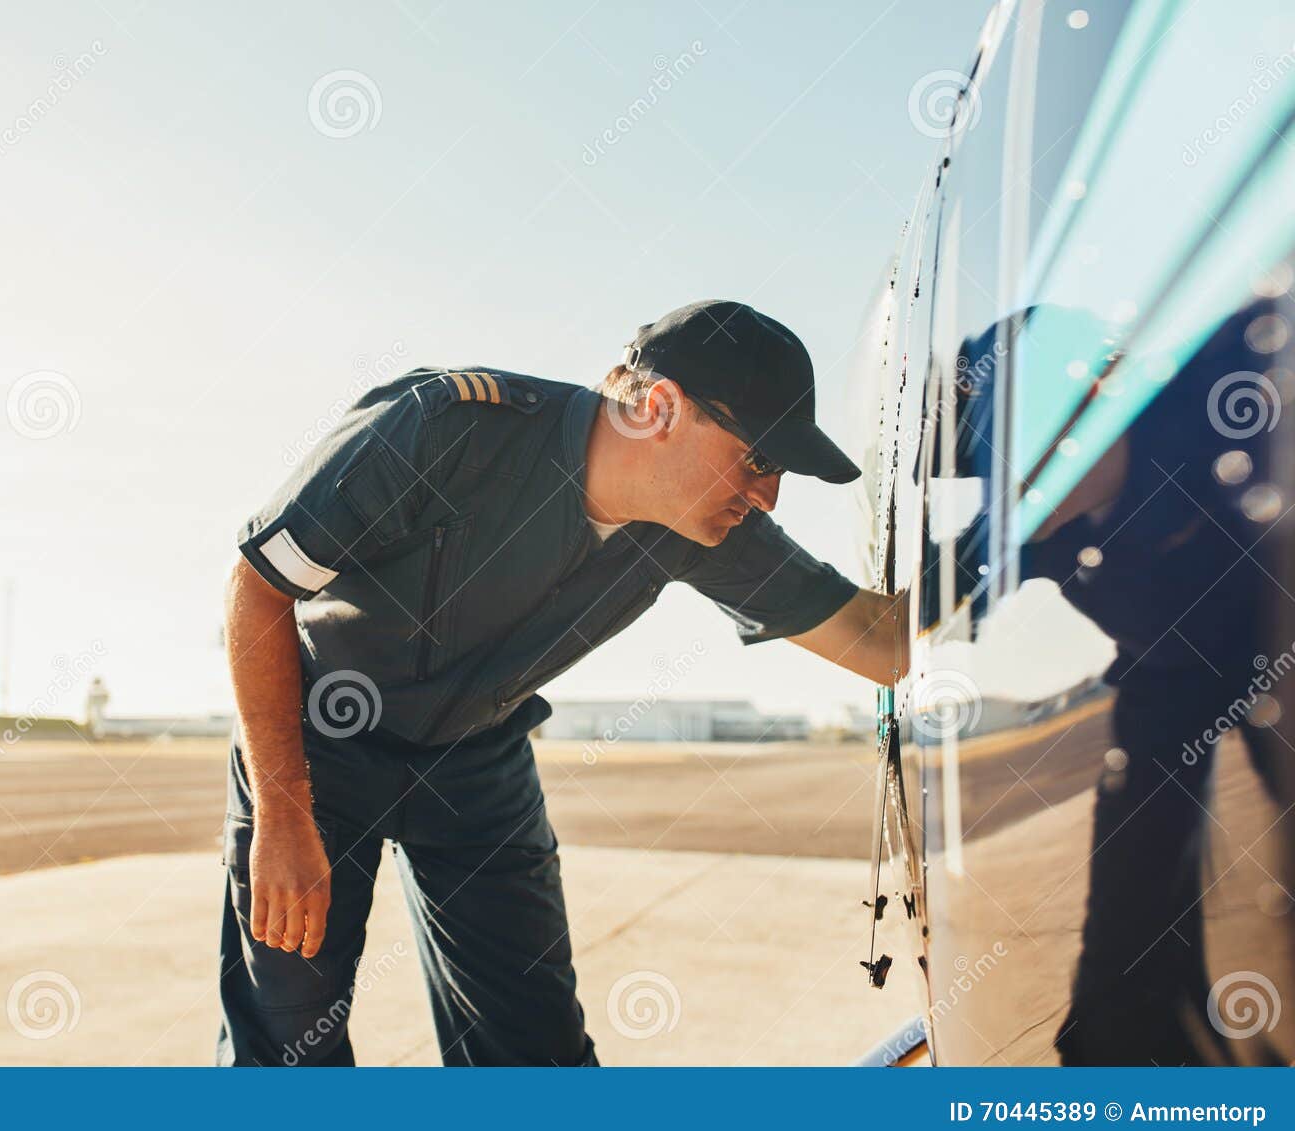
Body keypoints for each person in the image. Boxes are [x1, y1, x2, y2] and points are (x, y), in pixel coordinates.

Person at [220, 300, 907, 1065]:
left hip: (476, 760)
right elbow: (256, 589)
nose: (769, 494)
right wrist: (282, 814)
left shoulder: (701, 527)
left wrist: (1039, 532)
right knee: (287, 1049)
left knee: (536, 1055)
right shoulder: (446, 427)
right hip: (321, 745)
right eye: (759, 459)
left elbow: (882, 644)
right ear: (662, 409)